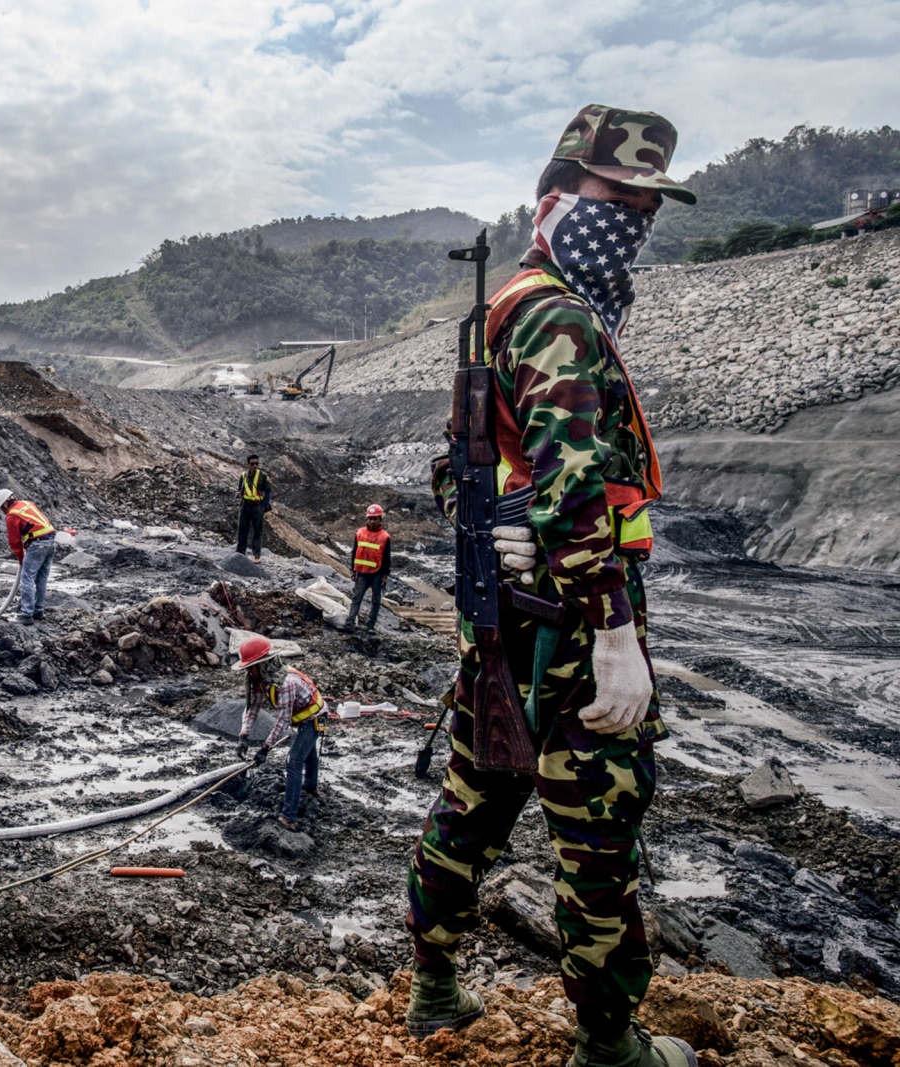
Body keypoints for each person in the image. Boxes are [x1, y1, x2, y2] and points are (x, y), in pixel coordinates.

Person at [405, 105, 697, 1067]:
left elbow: (461, 473)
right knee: (600, 842)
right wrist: (615, 629)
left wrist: (501, 522)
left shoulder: (506, 311)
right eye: (620, 200)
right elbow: (574, 484)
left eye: (648, 206)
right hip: (572, 628)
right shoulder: (558, 315)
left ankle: (434, 990)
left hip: (505, 626)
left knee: (470, 807)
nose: (635, 221)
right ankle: (612, 1048)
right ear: (558, 198)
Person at [232, 635, 326, 832]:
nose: (248, 671)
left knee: (294, 761)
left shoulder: (286, 683)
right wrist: (243, 736)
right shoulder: (258, 680)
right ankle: (311, 786)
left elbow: (283, 721)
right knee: (307, 752)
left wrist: (265, 749)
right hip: (300, 718)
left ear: (263, 664)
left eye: (251, 666)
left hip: (314, 717)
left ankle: (289, 818)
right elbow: (253, 708)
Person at [0, 489, 56, 625]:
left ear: (5, 504)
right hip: (51, 542)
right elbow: (35, 525)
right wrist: (30, 539)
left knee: (27, 578)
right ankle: (38, 611)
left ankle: (27, 614)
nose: (4, 512)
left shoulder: (12, 515)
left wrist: (21, 559)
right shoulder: (26, 504)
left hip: (38, 545)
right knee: (41, 579)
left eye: (2, 509)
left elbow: (14, 541)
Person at [345, 504, 391, 632]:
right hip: (362, 572)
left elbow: (387, 558)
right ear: (367, 519)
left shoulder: (384, 537)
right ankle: (350, 623)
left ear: (380, 519)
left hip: (377, 573)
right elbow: (354, 551)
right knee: (356, 598)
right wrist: (352, 569)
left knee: (376, 600)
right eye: (370, 518)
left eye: (375, 518)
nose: (372, 521)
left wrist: (385, 575)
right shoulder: (360, 533)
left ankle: (370, 626)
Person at [234, 454, 271, 562]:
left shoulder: (263, 476)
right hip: (245, 505)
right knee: (242, 529)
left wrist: (263, 505)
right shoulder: (243, 475)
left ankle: (256, 556)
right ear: (248, 464)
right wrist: (239, 494)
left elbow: (268, 491)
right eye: (252, 464)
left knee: (257, 531)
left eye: (256, 463)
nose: (255, 466)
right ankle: (240, 552)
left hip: (257, 506)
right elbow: (240, 489)